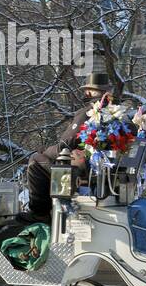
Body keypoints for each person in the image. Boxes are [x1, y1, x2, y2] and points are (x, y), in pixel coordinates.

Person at [25, 72, 113, 221]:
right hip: (105, 173)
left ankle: (39, 214)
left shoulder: (88, 113)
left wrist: (45, 151)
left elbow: (65, 146)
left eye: (87, 90)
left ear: (91, 92)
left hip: (82, 171)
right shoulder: (117, 115)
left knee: (35, 161)